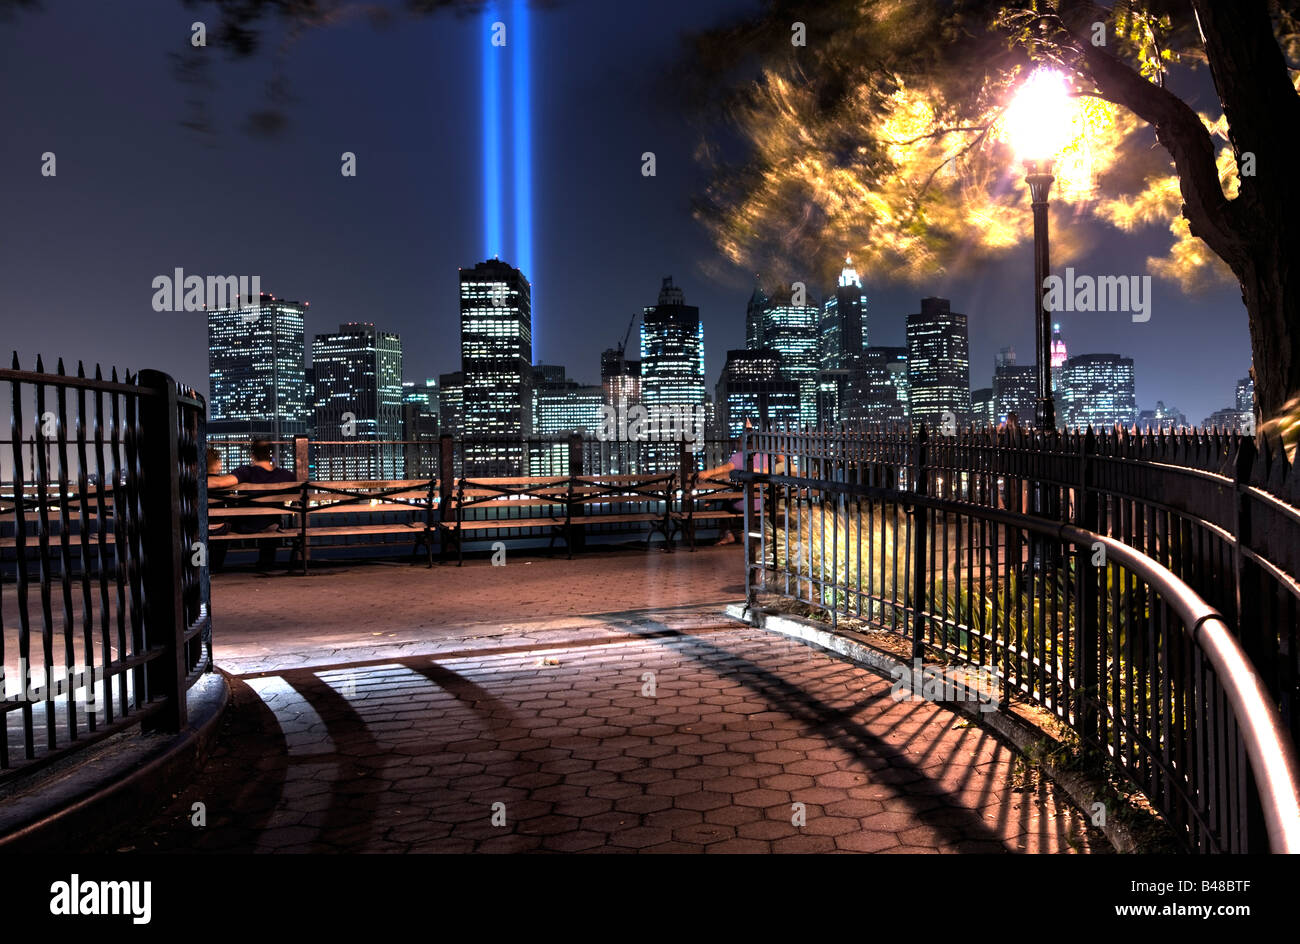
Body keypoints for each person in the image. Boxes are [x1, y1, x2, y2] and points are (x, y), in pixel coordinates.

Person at [696, 422, 785, 545]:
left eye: (738, 443)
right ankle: (760, 533)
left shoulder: (738, 457)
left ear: (742, 443)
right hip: (761, 503)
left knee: (725, 503)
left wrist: (708, 473)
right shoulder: (765, 457)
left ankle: (728, 534)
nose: (737, 445)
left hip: (743, 505)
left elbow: (725, 468)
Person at [216, 440, 297, 570]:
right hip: (272, 523)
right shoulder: (286, 475)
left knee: (224, 525)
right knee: (270, 523)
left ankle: (215, 565)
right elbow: (297, 499)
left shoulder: (246, 472)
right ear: (271, 455)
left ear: (252, 456)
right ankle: (266, 563)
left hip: (247, 524)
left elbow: (221, 483)